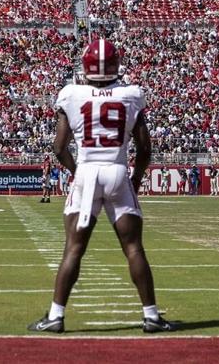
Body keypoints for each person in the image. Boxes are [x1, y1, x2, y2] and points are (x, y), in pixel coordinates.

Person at [28, 38, 174, 334]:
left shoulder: (71, 94)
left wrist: (76, 172)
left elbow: (59, 147)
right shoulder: (131, 94)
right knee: (133, 248)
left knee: (74, 248)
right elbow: (145, 148)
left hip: (87, 172)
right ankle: (152, 316)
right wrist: (135, 178)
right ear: (116, 64)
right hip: (118, 170)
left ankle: (56, 315)